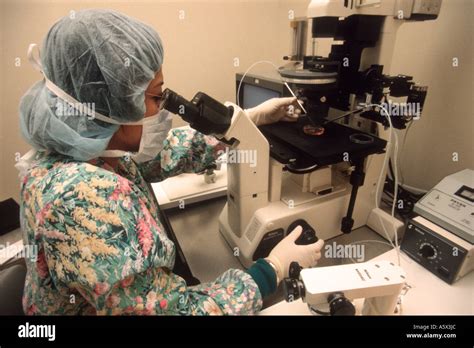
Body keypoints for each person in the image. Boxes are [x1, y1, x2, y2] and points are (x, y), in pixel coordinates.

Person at [17, 9, 324, 315]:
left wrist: (250, 118)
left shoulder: (84, 147)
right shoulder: (85, 197)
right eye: (156, 97)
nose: (165, 109)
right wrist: (271, 269)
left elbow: (162, 153)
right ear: (110, 108)